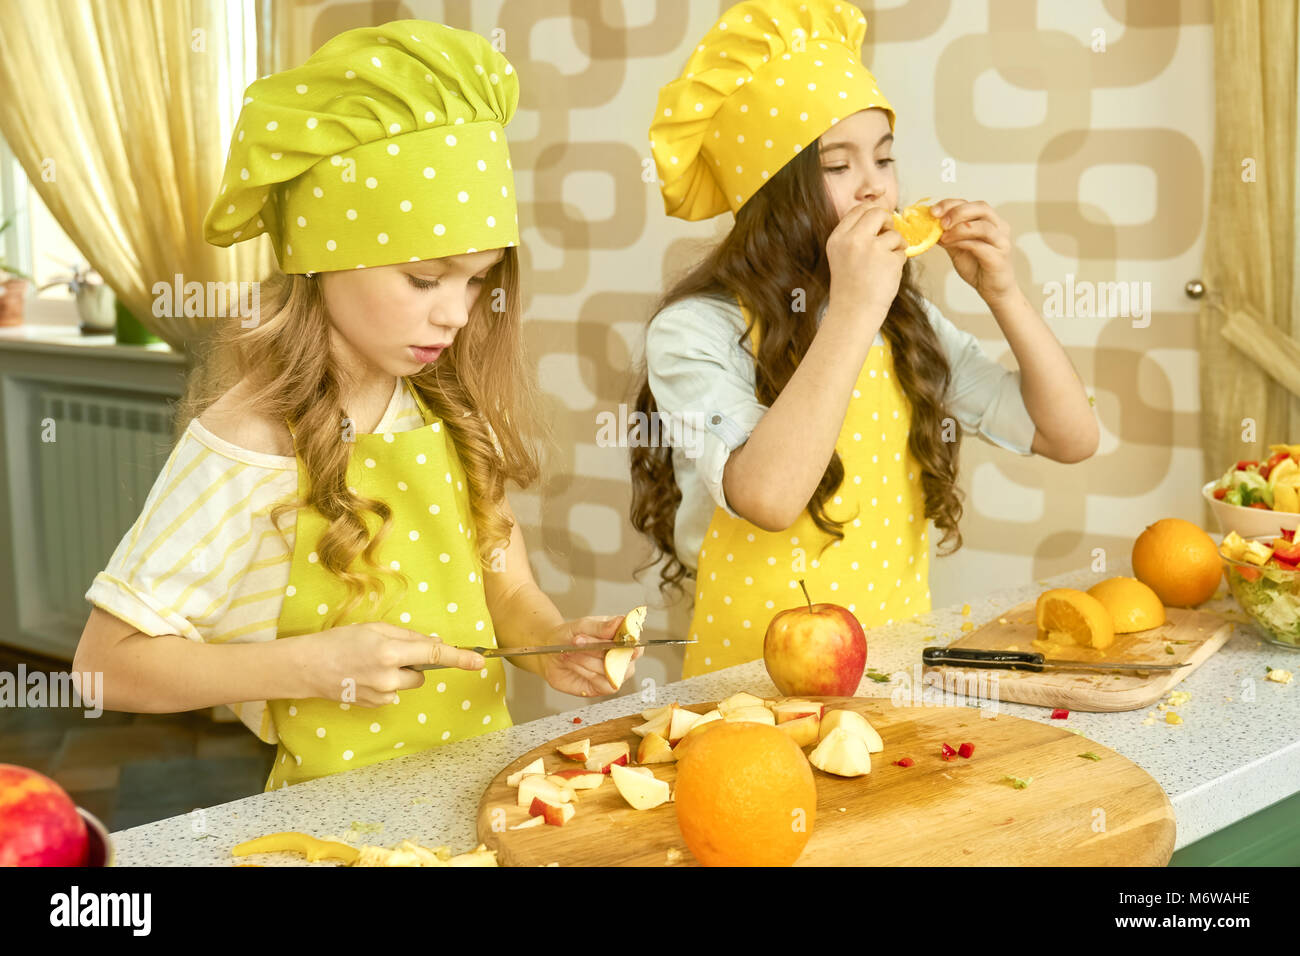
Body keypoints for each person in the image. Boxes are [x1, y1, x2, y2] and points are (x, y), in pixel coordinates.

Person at [75, 20, 639, 790]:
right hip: (339, 819)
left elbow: (505, 587)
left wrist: (555, 637)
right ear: (323, 258)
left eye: (476, 281)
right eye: (424, 279)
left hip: (485, 792)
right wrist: (311, 665)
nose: (457, 314)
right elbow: (105, 669)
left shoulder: (446, 411)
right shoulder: (247, 438)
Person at [630, 0, 1098, 678]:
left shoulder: (902, 318)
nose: (874, 187)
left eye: (883, 158)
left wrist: (1004, 294)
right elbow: (767, 497)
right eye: (837, 164)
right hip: (752, 677)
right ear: (771, 191)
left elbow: (1069, 437)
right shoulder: (695, 330)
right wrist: (852, 309)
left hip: (893, 665)